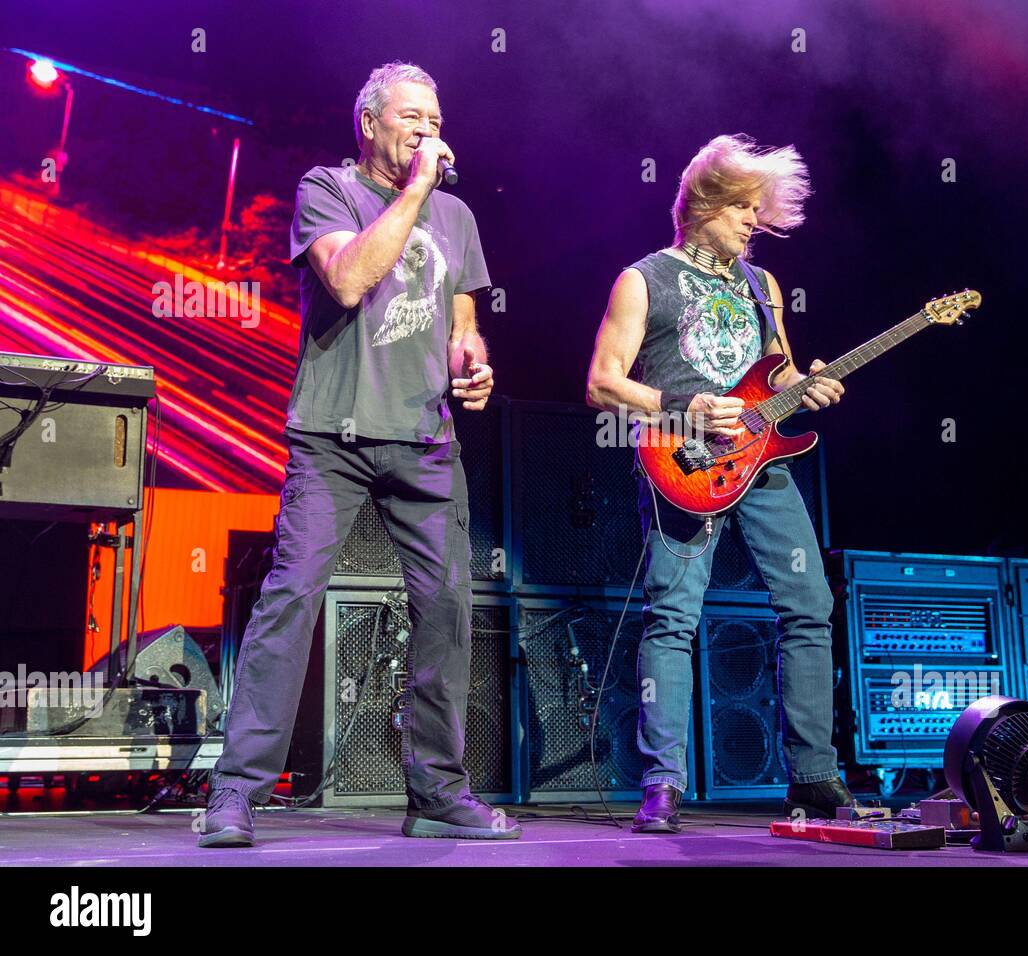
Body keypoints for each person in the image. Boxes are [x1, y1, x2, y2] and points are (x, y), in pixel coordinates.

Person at [198, 62, 519, 846]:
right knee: (291, 598)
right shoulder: (327, 189)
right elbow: (347, 281)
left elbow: (461, 320)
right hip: (332, 435)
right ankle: (235, 793)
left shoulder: (459, 218)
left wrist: (470, 363)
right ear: (368, 124)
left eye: (435, 120)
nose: (426, 132)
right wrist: (414, 192)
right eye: (410, 117)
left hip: (426, 441)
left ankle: (439, 795)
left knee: (447, 609)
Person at [585, 134, 860, 832]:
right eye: (740, 207)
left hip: (763, 465)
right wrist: (686, 408)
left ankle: (814, 776)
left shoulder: (763, 287)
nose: (752, 221)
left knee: (808, 604)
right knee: (674, 618)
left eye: (757, 209)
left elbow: (779, 375)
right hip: (685, 467)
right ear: (702, 204)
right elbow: (601, 383)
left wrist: (809, 386)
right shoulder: (643, 279)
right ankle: (663, 785)